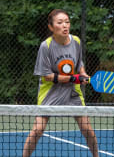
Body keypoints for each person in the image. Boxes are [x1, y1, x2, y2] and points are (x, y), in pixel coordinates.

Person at [23, 9, 99, 157]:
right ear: (51, 27)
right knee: (38, 130)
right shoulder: (46, 46)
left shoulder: (76, 41)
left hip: (72, 93)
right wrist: (72, 78)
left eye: (67, 22)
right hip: (50, 93)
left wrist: (82, 73)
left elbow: (79, 63)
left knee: (87, 129)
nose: (65, 25)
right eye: (60, 22)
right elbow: (47, 76)